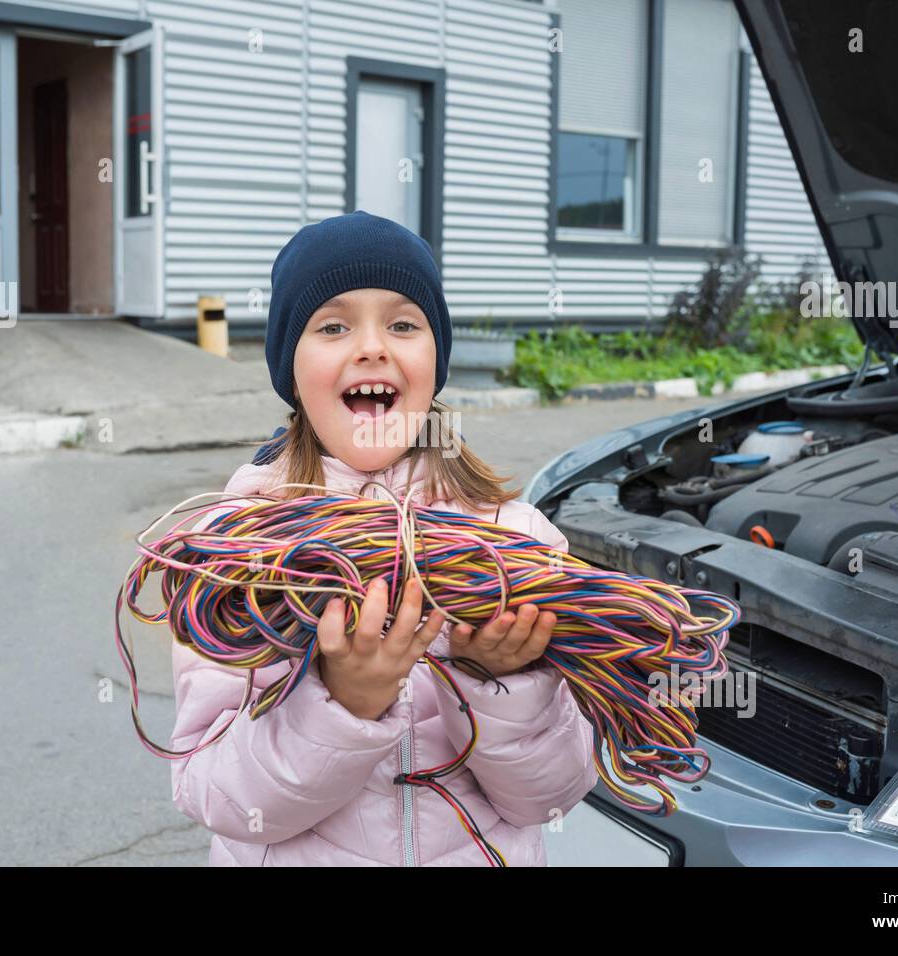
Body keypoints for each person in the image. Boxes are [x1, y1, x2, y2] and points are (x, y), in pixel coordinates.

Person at [168, 210, 599, 865]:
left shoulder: (518, 540)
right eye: (333, 326)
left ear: (435, 358)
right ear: (291, 366)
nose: (372, 347)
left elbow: (550, 801)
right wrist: (344, 703)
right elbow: (222, 799)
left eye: (403, 324)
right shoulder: (236, 555)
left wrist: (501, 685)